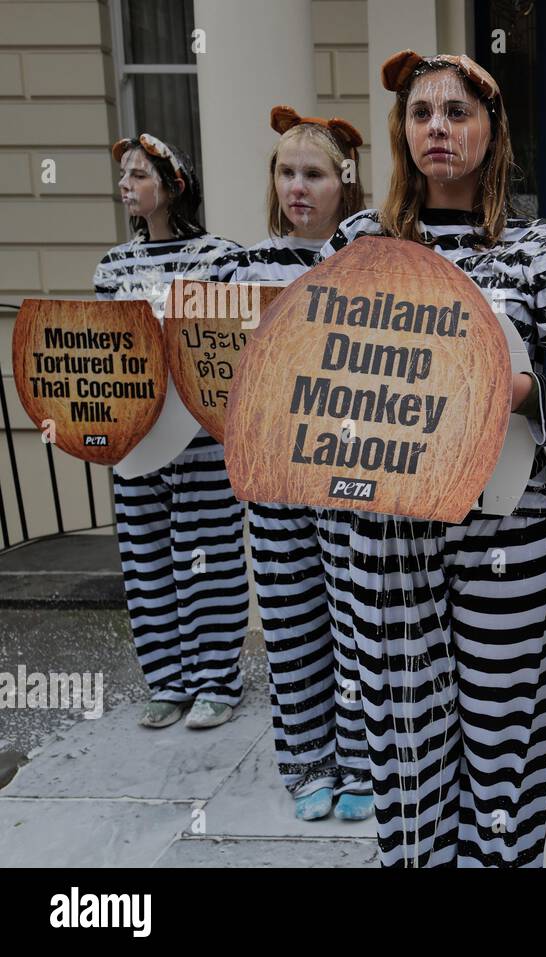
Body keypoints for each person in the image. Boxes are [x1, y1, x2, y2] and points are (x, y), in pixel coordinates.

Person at [316, 50, 546, 867]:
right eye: (422, 113)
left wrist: (524, 390)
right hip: (385, 535)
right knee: (402, 732)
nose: (438, 128)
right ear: (402, 132)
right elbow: (311, 373)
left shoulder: (535, 249)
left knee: (503, 729)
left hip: (505, 531)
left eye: (458, 113)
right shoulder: (359, 243)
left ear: (492, 132)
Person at [211, 106, 371, 820]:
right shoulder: (242, 267)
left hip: (349, 469)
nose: (298, 186)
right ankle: (308, 761)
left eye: (314, 173)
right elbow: (211, 361)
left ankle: (364, 760)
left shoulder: (365, 260)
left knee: (355, 617)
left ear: (345, 182)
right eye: (286, 172)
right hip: (275, 475)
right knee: (290, 616)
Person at [94, 134, 247, 731]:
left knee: (206, 555)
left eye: (138, 175)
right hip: (135, 438)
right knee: (146, 556)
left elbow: (231, 347)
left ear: (172, 184)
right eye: (124, 176)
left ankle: (216, 680)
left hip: (203, 441)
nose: (126, 185)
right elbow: (105, 352)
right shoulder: (113, 267)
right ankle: (167, 680)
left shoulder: (221, 259)